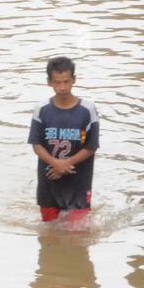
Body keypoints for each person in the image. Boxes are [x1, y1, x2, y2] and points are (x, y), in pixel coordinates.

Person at [28, 56, 101, 224]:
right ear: (49, 82)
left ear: (74, 80)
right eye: (57, 82)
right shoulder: (42, 110)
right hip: (49, 181)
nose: (62, 87)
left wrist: (65, 164)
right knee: (49, 233)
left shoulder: (87, 110)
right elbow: (36, 144)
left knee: (78, 233)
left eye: (66, 82)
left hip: (78, 182)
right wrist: (55, 163)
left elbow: (90, 146)